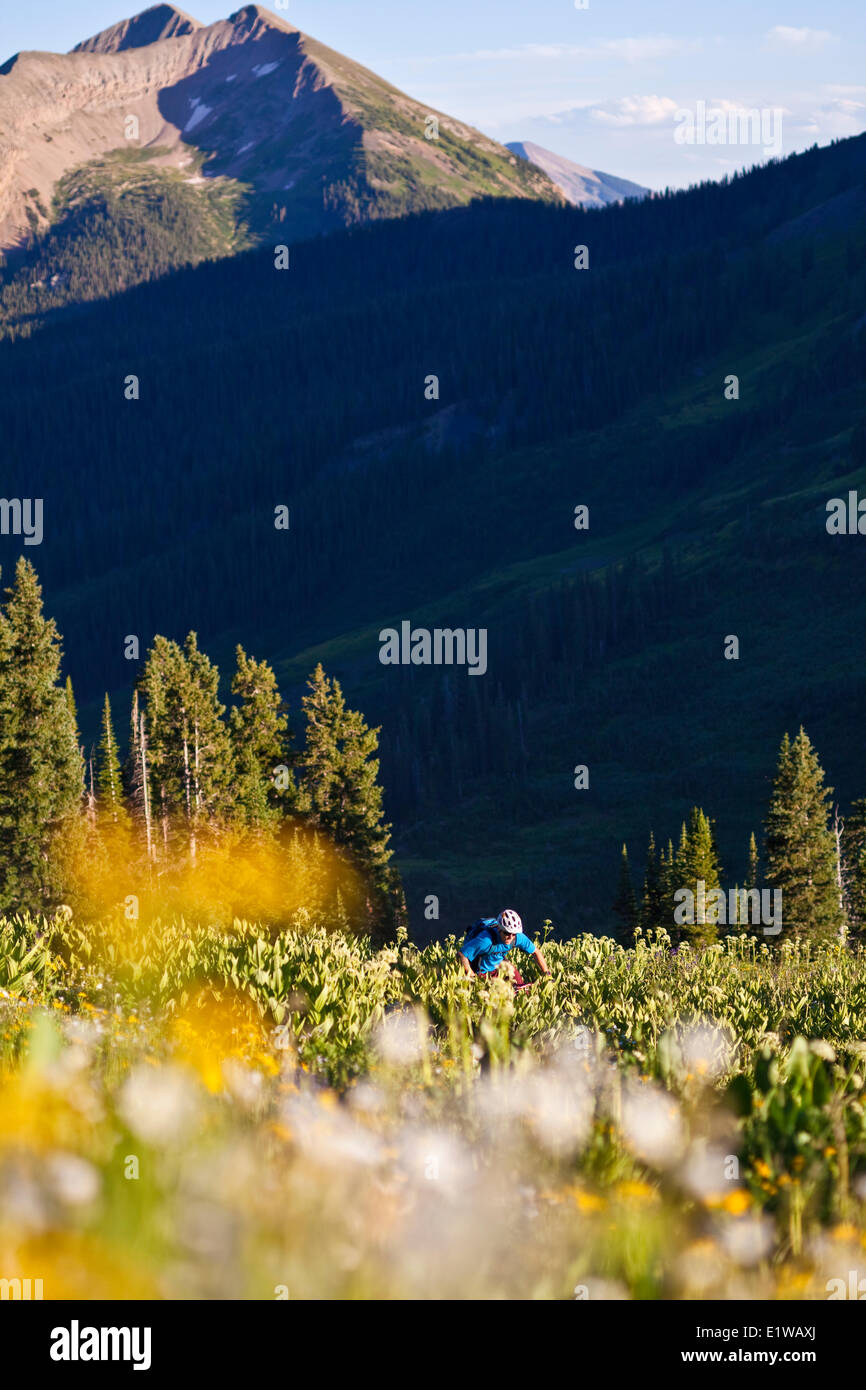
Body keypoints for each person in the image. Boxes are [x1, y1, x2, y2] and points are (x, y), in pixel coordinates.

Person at [458, 909, 550, 989]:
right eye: (507, 933)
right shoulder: (485, 940)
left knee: (521, 989)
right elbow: (462, 954)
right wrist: (470, 974)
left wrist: (547, 974)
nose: (510, 937)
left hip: (500, 963)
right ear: (499, 929)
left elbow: (536, 952)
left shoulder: (518, 937)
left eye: (514, 934)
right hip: (482, 969)